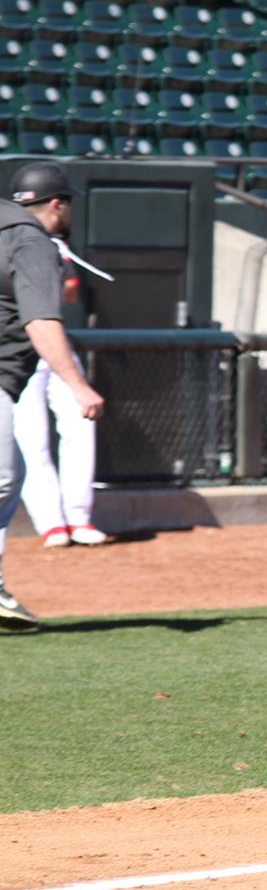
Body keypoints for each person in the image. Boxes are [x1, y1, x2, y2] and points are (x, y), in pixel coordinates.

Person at [0, 162, 108, 630]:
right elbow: (41, 319)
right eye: (68, 204)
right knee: (3, 478)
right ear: (58, 204)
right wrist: (77, 384)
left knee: (11, 476)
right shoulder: (31, 242)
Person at [13, 237, 107, 548]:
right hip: (15, 351)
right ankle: (51, 523)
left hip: (56, 346)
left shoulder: (49, 244)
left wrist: (54, 267)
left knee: (80, 426)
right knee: (30, 439)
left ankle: (78, 518)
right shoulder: (12, 243)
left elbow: (69, 291)